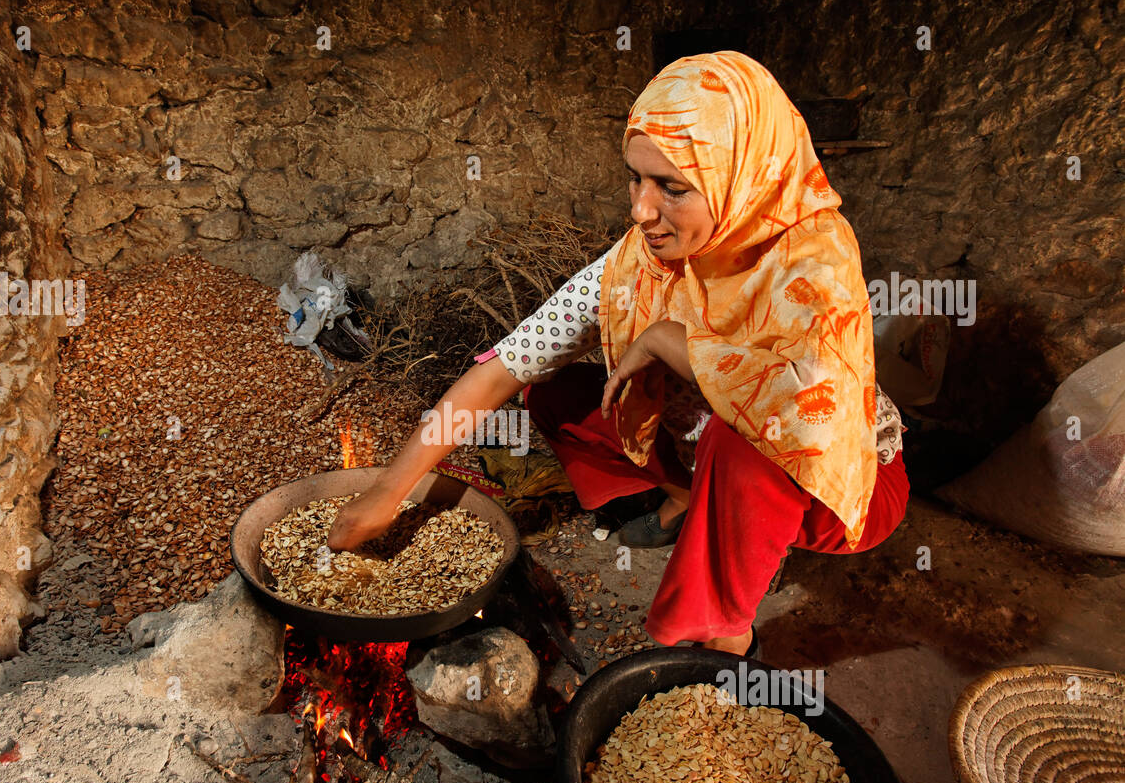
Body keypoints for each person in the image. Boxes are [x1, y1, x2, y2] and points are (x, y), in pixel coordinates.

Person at [328, 51, 909, 658]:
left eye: (672, 187)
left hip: (833, 492)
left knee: (742, 440)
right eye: (636, 178)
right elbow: (503, 367)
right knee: (554, 393)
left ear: (740, 175)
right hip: (700, 447)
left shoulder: (814, 260)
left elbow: (802, 414)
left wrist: (665, 339)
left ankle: (731, 629)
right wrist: (387, 493)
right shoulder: (636, 262)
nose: (640, 210)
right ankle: (685, 499)